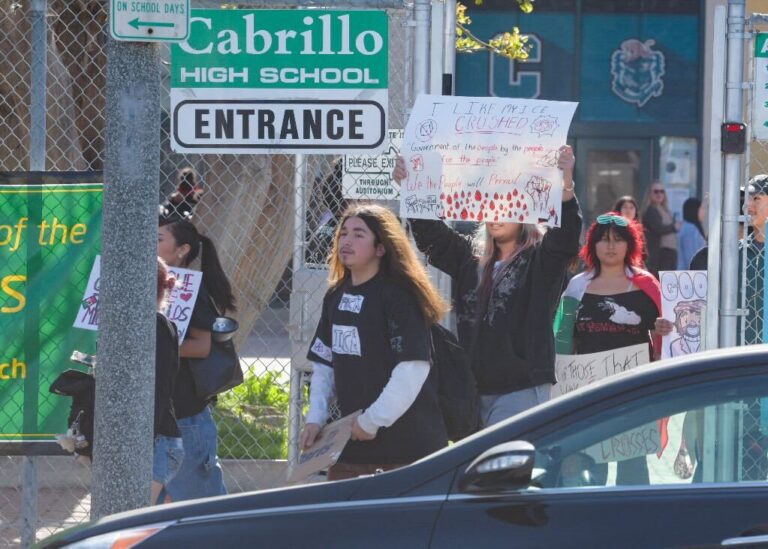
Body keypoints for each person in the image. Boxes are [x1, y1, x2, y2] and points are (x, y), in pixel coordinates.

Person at [395, 146, 582, 427]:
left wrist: (565, 185)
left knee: (512, 465)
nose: (496, 211)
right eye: (490, 203)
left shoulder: (540, 259)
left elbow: (565, 237)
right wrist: (413, 188)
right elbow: (432, 237)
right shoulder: (471, 257)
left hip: (520, 387)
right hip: (473, 388)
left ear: (525, 211)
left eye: (506, 205)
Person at [300, 204, 449, 481]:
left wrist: (372, 420)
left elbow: (413, 367)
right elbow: (324, 364)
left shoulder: (399, 297)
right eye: (343, 233)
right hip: (350, 450)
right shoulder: (335, 295)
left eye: (359, 234)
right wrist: (315, 418)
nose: (346, 241)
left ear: (381, 248)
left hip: (407, 452)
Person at [555, 212, 663, 485]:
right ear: (592, 246)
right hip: (589, 393)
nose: (611, 246)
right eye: (604, 240)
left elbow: (666, 338)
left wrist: (664, 329)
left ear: (631, 245)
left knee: (633, 468)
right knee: (591, 467)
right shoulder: (576, 286)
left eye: (618, 240)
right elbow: (562, 341)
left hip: (635, 391)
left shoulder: (647, 285)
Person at [157, 218, 236, 500]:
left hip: (186, 416)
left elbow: (201, 347)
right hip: (159, 414)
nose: (150, 244)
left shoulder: (191, 289)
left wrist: (152, 348)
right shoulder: (149, 286)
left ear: (182, 250)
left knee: (199, 507)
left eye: (158, 239)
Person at [151, 258, 184, 505]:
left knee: (131, 516)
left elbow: (160, 386)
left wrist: (142, 435)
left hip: (158, 440)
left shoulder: (158, 324)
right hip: (157, 439)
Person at [642, 181, 680, 276]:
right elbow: (658, 228)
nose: (659, 194)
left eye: (662, 191)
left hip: (671, 252)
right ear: (650, 194)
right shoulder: (651, 210)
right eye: (656, 191)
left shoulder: (664, 209)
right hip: (662, 254)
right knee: (663, 285)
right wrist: (674, 227)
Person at [677, 197, 706, 271]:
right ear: (694, 210)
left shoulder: (689, 227)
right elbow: (691, 257)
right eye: (702, 208)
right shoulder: (690, 229)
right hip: (690, 277)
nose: (704, 212)